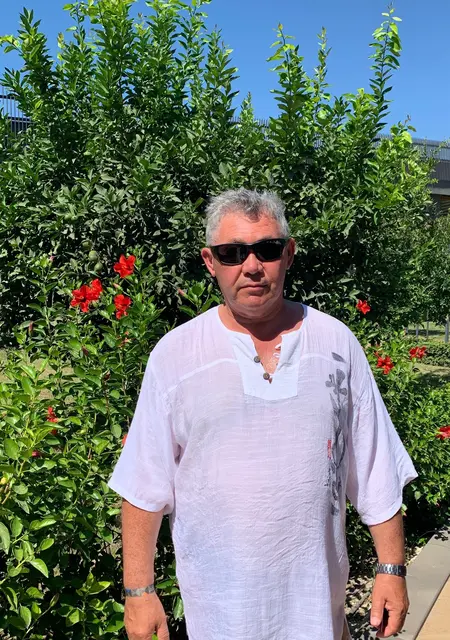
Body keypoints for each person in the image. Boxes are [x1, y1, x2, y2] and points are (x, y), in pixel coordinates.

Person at [108, 188, 417, 640]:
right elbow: (143, 484)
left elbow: (376, 469)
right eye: (232, 253)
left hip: (318, 617)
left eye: (267, 249)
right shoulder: (176, 356)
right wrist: (139, 591)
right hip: (221, 618)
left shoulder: (336, 344)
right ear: (210, 261)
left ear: (288, 254)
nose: (251, 265)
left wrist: (391, 569)